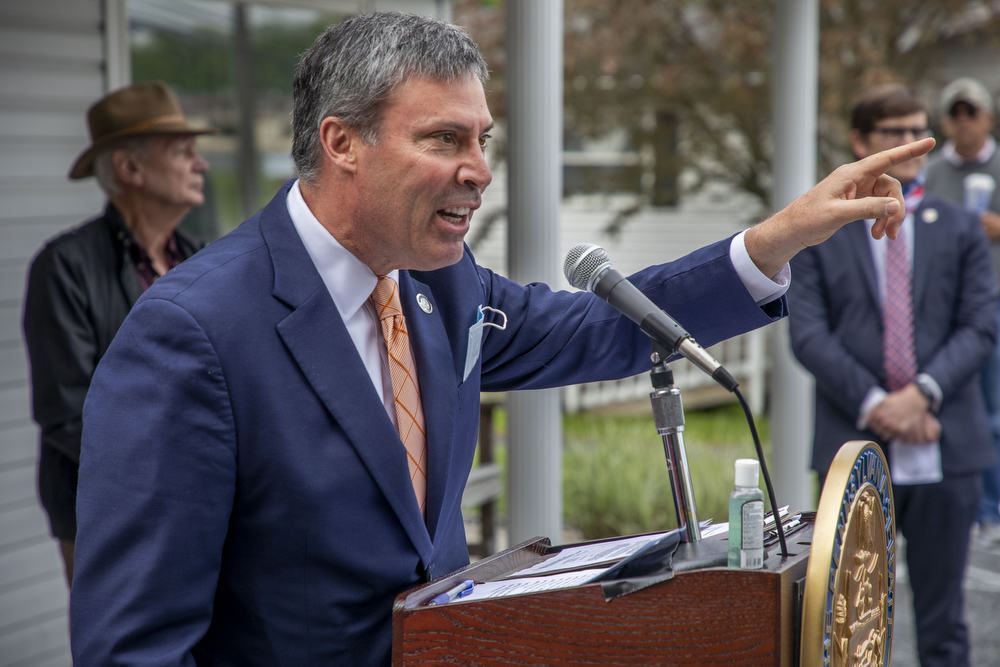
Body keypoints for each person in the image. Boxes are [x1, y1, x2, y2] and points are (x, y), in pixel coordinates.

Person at [69, 14, 932, 667]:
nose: (479, 169)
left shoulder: (443, 284)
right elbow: (134, 646)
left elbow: (603, 326)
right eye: (443, 138)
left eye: (482, 139)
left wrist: (775, 239)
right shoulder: (190, 338)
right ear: (342, 144)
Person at [788, 84, 998, 667]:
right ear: (860, 141)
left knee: (945, 623)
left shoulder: (960, 227)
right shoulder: (820, 231)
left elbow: (981, 326)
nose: (911, 143)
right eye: (894, 132)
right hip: (853, 445)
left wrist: (920, 396)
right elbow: (808, 335)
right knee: (846, 626)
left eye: (919, 131)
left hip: (945, 441)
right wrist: (879, 404)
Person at [22, 81, 212, 586]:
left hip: (201, 503)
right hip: (106, 511)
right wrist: (176, 473)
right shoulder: (65, 266)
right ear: (131, 169)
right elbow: (67, 411)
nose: (202, 164)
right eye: (183, 151)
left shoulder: (201, 258)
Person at [925, 77, 1000, 546]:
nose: (964, 121)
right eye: (956, 113)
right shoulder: (933, 172)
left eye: (971, 112)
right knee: (952, 404)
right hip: (946, 310)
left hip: (994, 303)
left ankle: (991, 510)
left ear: (987, 117)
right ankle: (962, 508)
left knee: (994, 411)